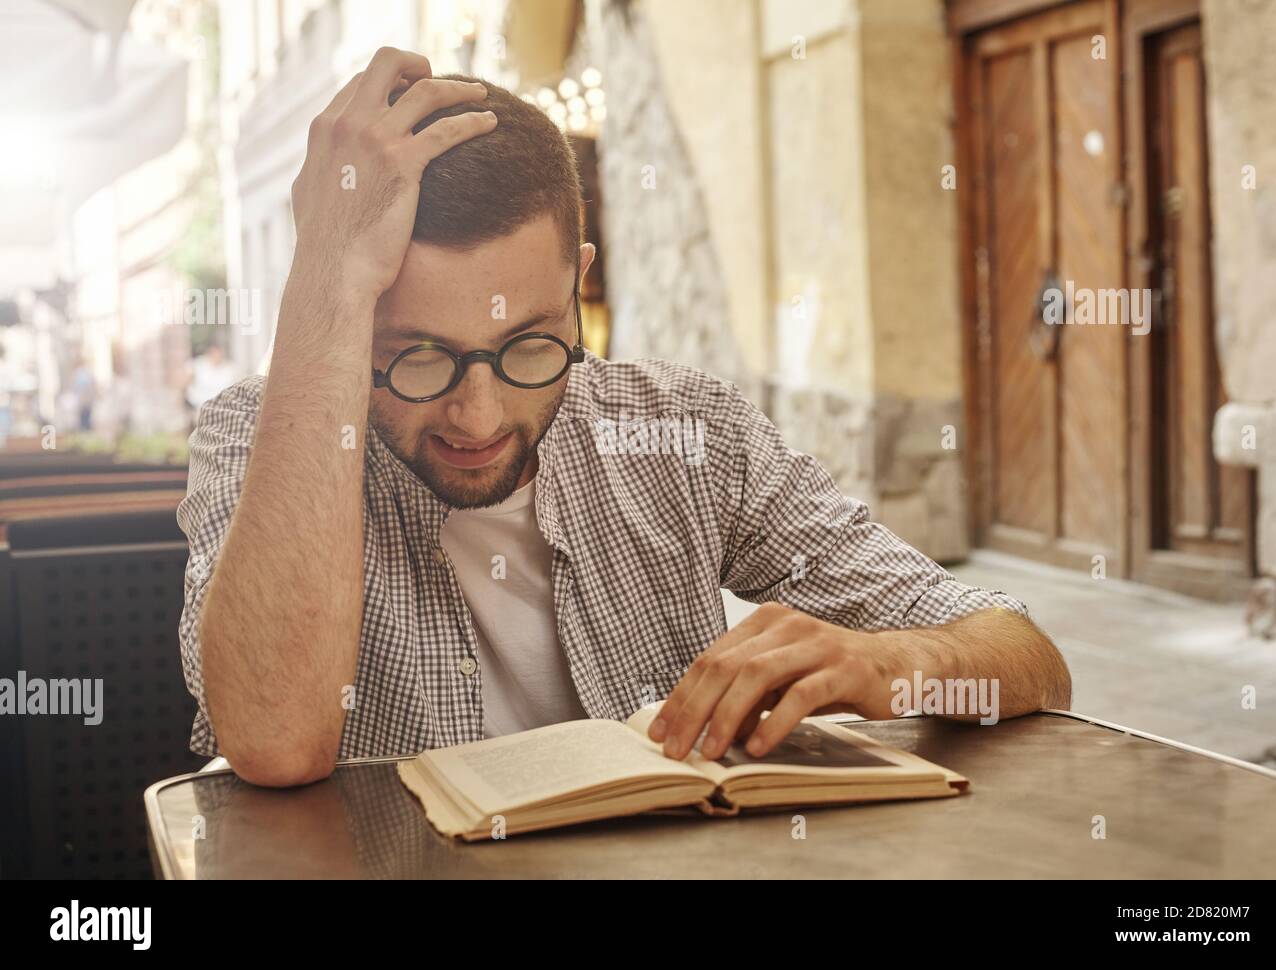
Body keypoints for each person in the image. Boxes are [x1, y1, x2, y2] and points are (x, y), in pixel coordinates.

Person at [178, 48, 1071, 787]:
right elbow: (275, 740)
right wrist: (323, 284)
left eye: (530, 343)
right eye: (418, 355)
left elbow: (1025, 653)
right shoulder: (255, 437)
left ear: (581, 286)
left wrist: (896, 667)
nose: (478, 415)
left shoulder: (683, 430)